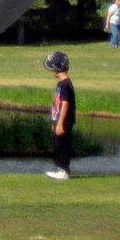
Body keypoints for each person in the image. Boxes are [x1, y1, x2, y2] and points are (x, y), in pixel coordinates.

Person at [44, 50, 75, 180]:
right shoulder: (61, 84)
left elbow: (65, 104)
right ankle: (58, 168)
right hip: (58, 121)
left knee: (62, 145)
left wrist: (60, 122)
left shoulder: (65, 84)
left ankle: (63, 170)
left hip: (65, 121)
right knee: (56, 144)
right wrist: (54, 122)